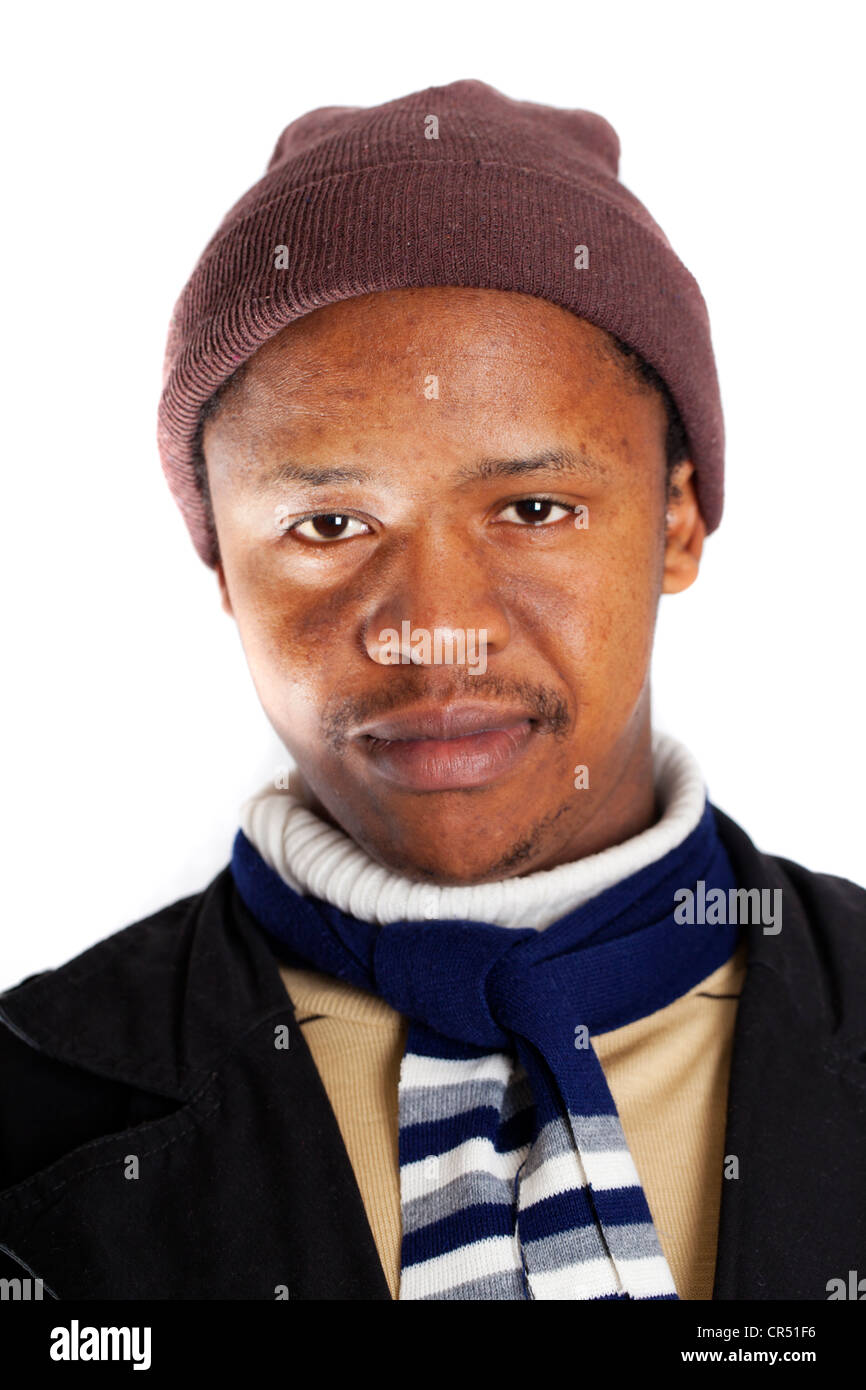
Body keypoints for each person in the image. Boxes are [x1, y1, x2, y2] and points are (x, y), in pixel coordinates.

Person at [1, 79, 863, 1303]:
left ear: (675, 521)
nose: (433, 633)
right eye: (329, 521)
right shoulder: (29, 1110)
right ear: (220, 569)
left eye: (532, 509)